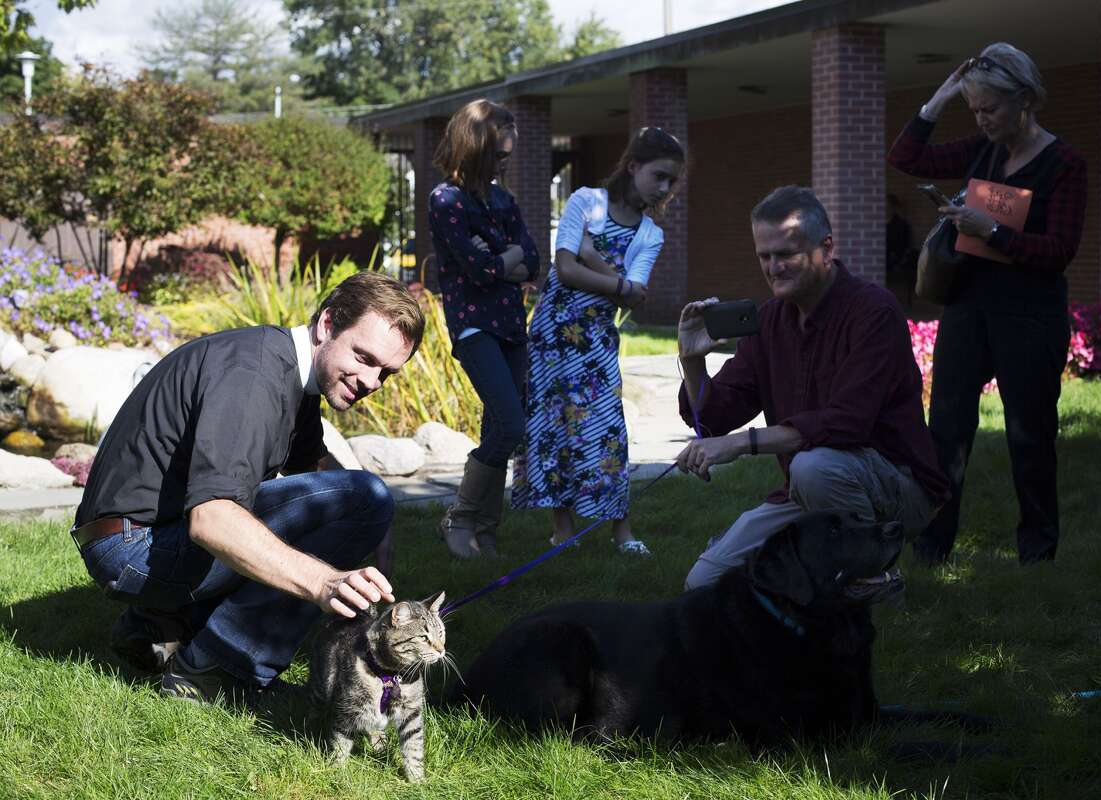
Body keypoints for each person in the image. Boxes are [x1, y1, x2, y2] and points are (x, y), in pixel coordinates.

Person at [71, 272, 425, 705]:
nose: (372, 381)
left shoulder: (286, 366)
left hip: (133, 537)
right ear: (327, 324)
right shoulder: (253, 376)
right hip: (133, 551)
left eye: (386, 373)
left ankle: (162, 624)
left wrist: (378, 519)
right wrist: (324, 581)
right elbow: (212, 518)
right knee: (363, 502)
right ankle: (216, 668)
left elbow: (313, 466)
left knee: (366, 500)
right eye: (365, 358)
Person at [674, 186, 949, 590]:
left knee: (814, 466)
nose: (773, 268)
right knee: (705, 583)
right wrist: (692, 360)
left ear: (826, 248)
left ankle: (873, 578)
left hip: (897, 485)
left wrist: (740, 444)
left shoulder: (873, 311)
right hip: (807, 489)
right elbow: (713, 419)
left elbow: (846, 424)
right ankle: (823, 564)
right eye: (764, 256)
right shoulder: (768, 320)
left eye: (786, 254)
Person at [887, 43, 1087, 565]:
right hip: (969, 310)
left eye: (990, 108)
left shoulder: (1063, 163)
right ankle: (933, 545)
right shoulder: (982, 150)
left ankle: (1038, 554)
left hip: (1030, 317)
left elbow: (1059, 252)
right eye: (974, 109)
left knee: (1030, 435)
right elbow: (905, 158)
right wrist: (940, 98)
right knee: (947, 430)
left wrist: (992, 231)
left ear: (1024, 99)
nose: (982, 119)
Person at [512, 127, 685, 556]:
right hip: (552, 337)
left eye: (671, 181)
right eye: (659, 176)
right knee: (554, 426)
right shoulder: (587, 201)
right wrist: (616, 281)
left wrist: (591, 255)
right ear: (633, 167)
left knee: (608, 431)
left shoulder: (651, 235)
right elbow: (563, 269)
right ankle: (562, 531)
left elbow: (635, 293)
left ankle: (621, 531)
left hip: (596, 341)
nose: (664, 188)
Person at [429, 99, 540, 559]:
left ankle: (486, 534)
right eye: (498, 154)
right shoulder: (445, 199)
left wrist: (501, 259)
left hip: (512, 325)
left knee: (500, 424)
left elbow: (532, 260)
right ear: (473, 147)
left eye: (508, 155)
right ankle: (458, 517)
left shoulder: (502, 200)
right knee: (510, 423)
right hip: (474, 326)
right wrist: (502, 258)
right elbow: (476, 271)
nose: (503, 163)